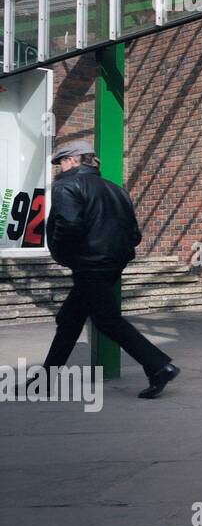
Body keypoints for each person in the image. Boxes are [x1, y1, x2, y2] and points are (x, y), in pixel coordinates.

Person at [40, 140, 180, 399]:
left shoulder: (67, 185)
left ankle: (160, 366)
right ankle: (44, 380)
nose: (59, 168)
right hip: (111, 265)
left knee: (107, 320)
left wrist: (63, 255)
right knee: (68, 320)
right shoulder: (117, 190)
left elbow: (68, 227)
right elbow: (134, 234)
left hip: (88, 264)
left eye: (61, 162)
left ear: (73, 160)